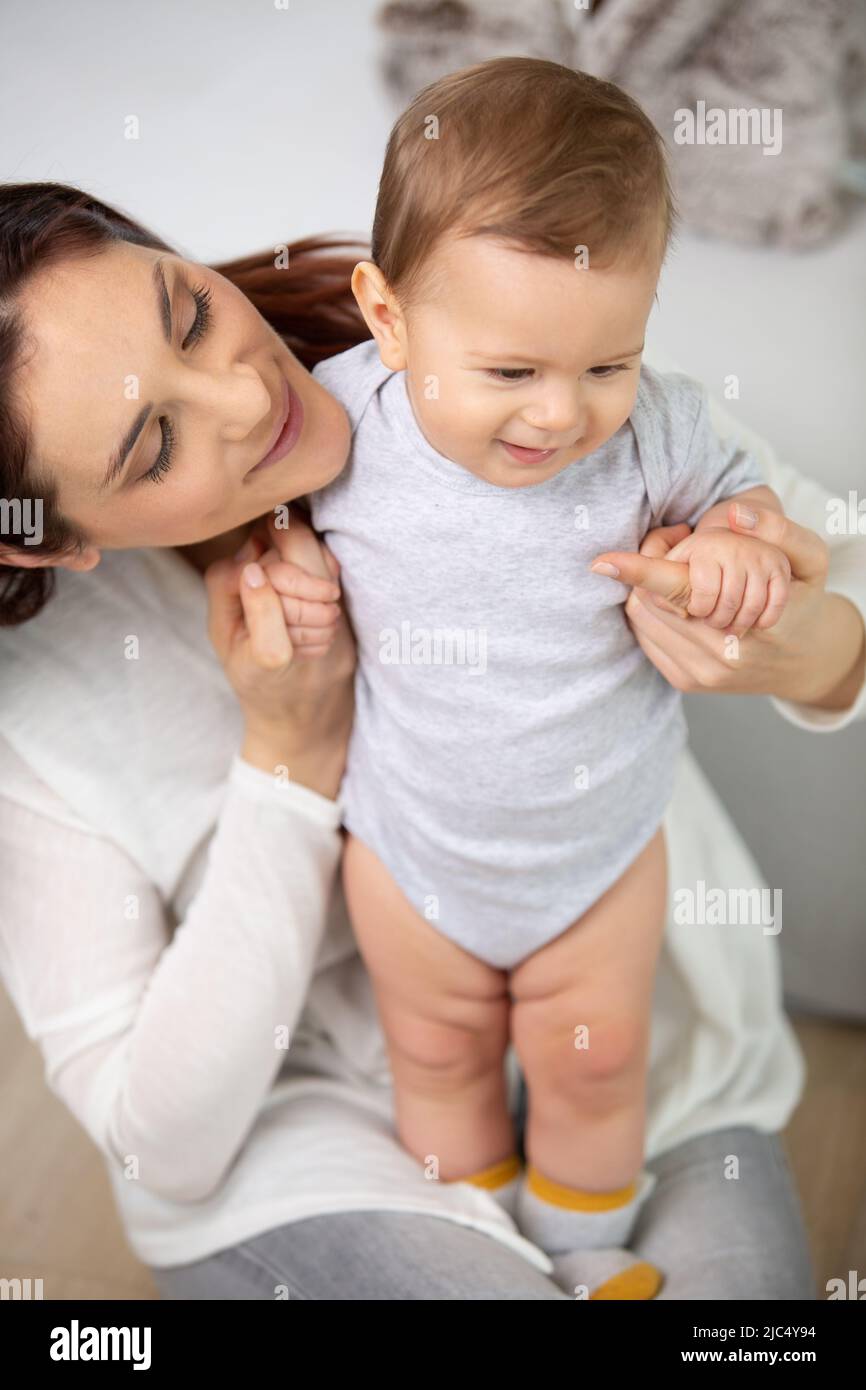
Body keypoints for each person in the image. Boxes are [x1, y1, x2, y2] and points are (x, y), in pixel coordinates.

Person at [0, 182, 863, 1301]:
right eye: (155, 445)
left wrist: (803, 650)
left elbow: (835, 568)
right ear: (48, 543)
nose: (242, 395)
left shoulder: (486, 356)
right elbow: (155, 1143)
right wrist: (289, 756)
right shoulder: (43, 706)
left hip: (634, 1048)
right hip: (309, 1143)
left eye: (189, 314)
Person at [303, 59, 792, 1298]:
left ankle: (586, 1255)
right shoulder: (340, 426)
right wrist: (265, 564)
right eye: (511, 373)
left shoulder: (659, 431)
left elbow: (759, 505)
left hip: (598, 851)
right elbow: (255, 524)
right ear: (389, 315)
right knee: (440, 1054)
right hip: (414, 849)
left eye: (604, 364)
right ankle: (482, 1253)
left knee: (593, 1060)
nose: (561, 416)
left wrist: (742, 543)